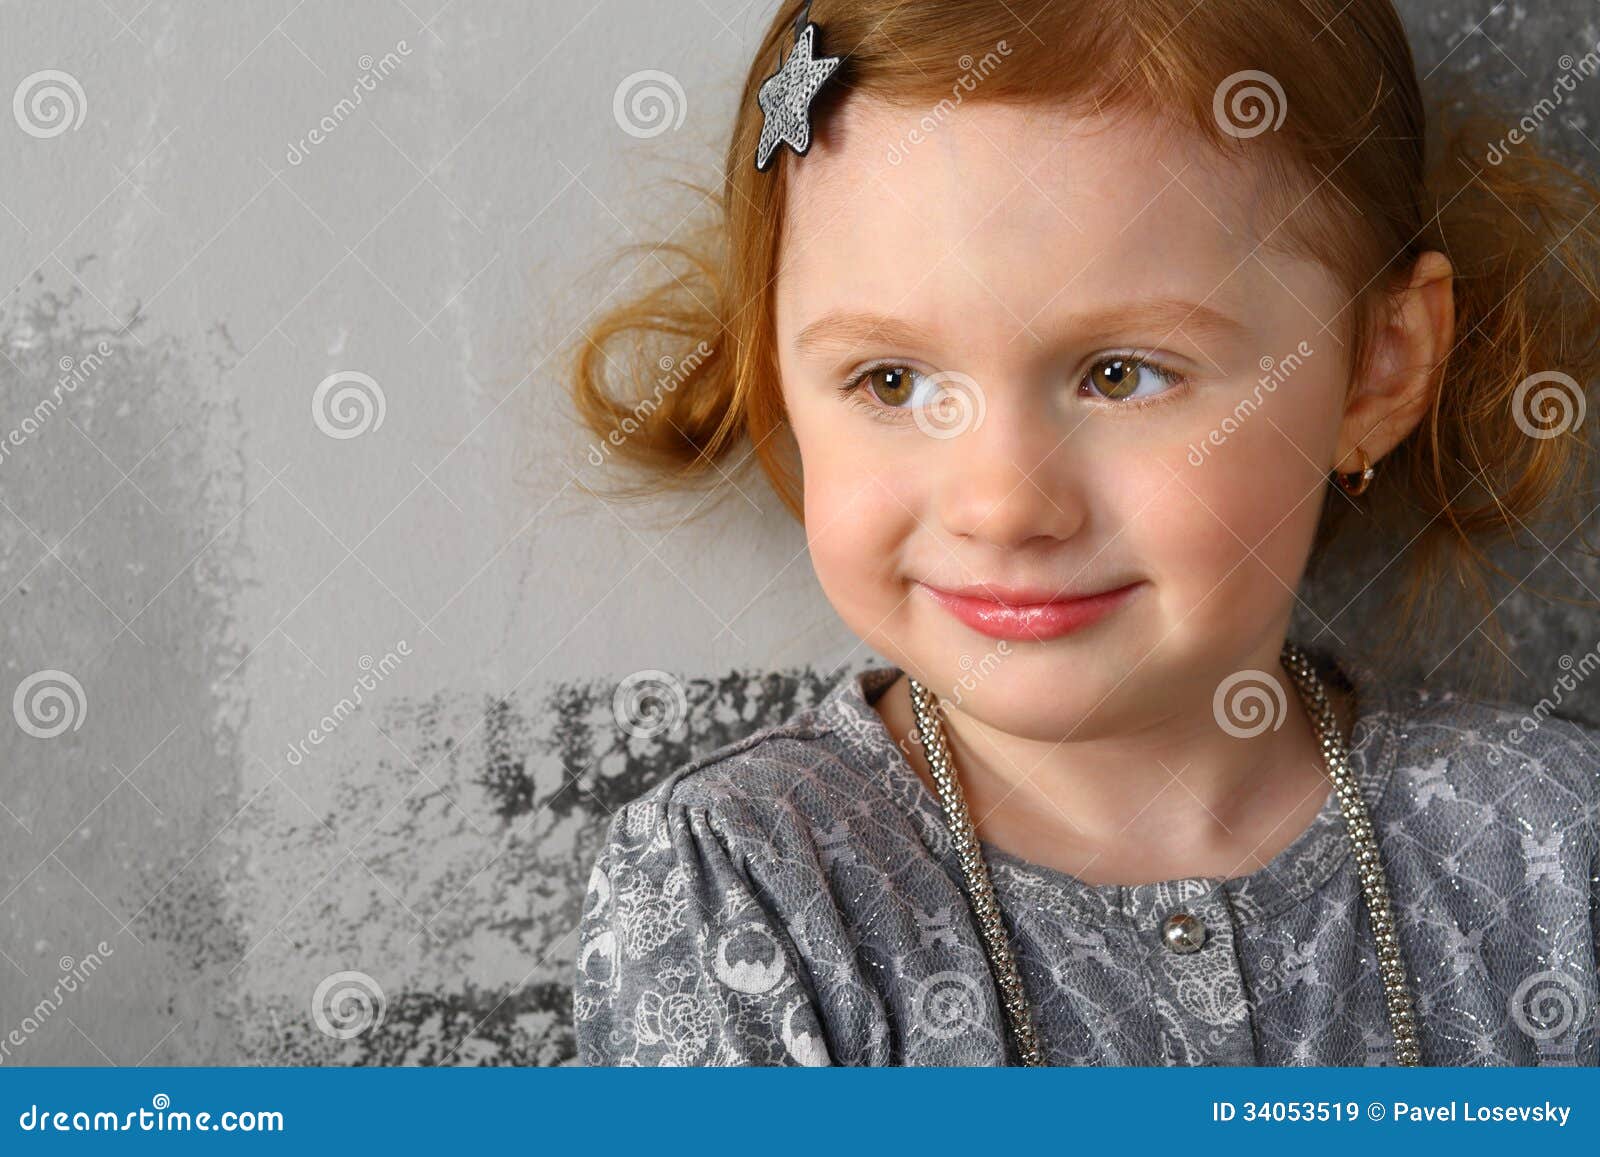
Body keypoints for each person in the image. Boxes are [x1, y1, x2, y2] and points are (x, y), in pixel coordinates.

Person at [566, 0, 1600, 1065]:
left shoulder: (1550, 848)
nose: (1004, 504)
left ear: (1378, 366)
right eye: (892, 379)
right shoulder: (744, 887)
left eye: (1121, 374)